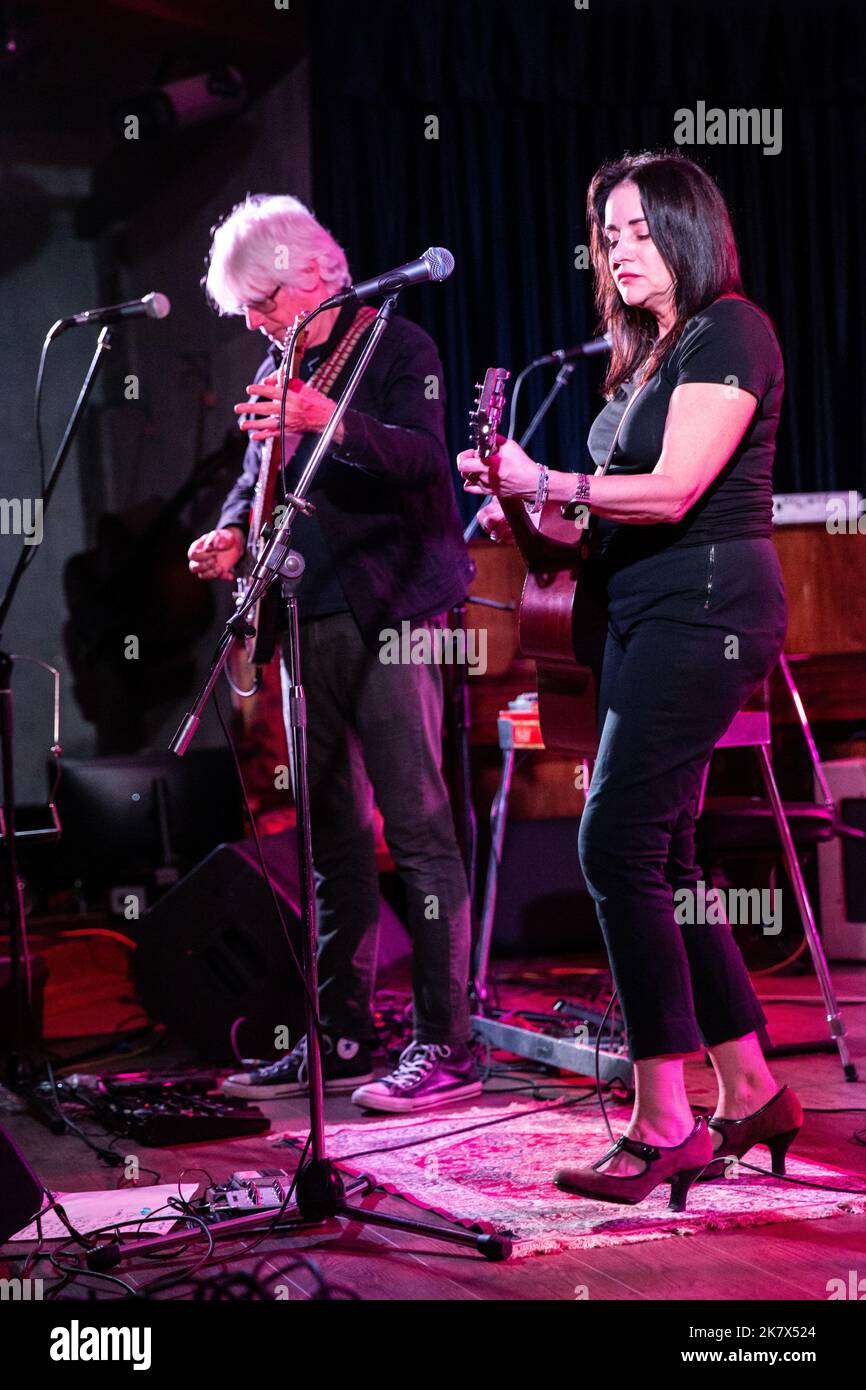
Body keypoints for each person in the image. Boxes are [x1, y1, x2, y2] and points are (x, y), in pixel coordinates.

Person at [458, 151, 802, 1209]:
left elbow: (671, 489)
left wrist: (552, 477)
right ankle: (748, 1090)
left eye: (640, 229)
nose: (617, 248)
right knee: (666, 850)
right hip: (640, 612)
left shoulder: (729, 330)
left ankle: (664, 1118)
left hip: (703, 610)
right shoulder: (644, 357)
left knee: (613, 840)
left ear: (689, 233)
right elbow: (589, 525)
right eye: (607, 232)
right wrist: (520, 500)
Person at [189, 194, 481, 1114]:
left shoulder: (401, 349)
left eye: (265, 300)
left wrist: (328, 419)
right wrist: (232, 534)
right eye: (248, 308)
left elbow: (426, 462)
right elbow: (254, 478)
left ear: (317, 273)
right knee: (332, 838)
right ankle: (343, 1032)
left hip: (391, 611)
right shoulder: (282, 355)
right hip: (303, 613)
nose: (255, 320)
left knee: (419, 828)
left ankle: (448, 1042)